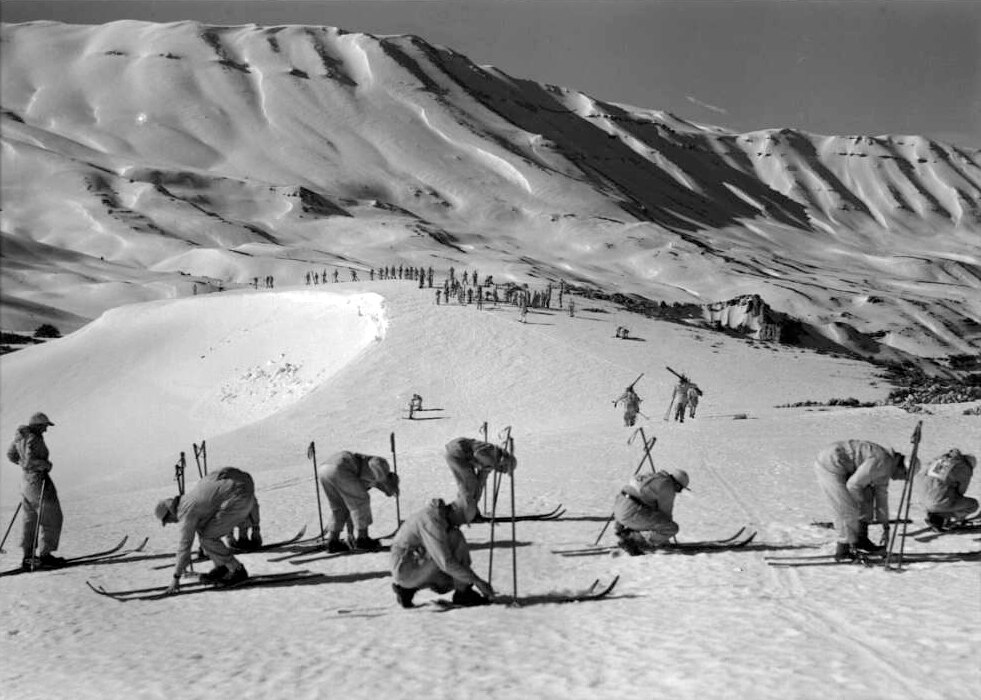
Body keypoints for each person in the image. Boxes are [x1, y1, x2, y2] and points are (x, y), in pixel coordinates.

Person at [154, 467, 260, 593]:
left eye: (168, 521)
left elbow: (184, 546)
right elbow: (221, 472)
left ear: (170, 513)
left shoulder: (185, 512)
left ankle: (237, 570)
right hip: (245, 487)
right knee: (205, 533)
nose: (171, 523)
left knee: (208, 538)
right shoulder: (191, 497)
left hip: (238, 499)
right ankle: (222, 567)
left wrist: (176, 578)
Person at [390, 498, 495, 608]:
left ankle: (407, 590)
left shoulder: (436, 517)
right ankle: (463, 593)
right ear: (456, 513)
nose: (458, 525)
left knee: (453, 578)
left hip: (407, 567)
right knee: (456, 538)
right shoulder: (432, 522)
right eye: (460, 521)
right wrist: (478, 582)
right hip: (405, 570)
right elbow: (445, 562)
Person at [813, 440, 908, 561]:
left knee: (867, 497)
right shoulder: (883, 462)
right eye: (904, 476)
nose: (902, 479)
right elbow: (853, 485)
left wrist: (885, 525)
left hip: (843, 465)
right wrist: (857, 506)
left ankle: (861, 539)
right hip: (830, 464)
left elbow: (881, 496)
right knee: (846, 508)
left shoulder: (887, 466)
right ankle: (844, 549)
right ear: (902, 468)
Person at [6, 412, 64, 570]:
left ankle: (28, 556)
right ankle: (46, 556)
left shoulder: (20, 436)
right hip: (38, 480)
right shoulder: (33, 438)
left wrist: (23, 464)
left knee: (30, 518)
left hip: (25, 481)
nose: (46, 429)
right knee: (51, 516)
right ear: (37, 425)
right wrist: (44, 465)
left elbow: (10, 454)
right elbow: (30, 460)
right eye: (44, 426)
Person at [317, 451, 399, 552]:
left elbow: (384, 488)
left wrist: (350, 533)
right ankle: (363, 539)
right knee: (361, 501)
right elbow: (378, 472)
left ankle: (333, 541)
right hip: (341, 467)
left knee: (339, 506)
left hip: (324, 469)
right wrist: (392, 487)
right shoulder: (383, 466)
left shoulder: (372, 474)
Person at [613, 468, 689, 555]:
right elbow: (665, 515)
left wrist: (618, 524)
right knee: (671, 528)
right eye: (680, 489)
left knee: (649, 512)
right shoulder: (667, 486)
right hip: (630, 512)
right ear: (678, 484)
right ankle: (633, 540)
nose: (678, 491)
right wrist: (662, 538)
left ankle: (627, 532)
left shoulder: (653, 477)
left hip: (619, 508)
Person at [443, 437, 517, 523]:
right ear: (505, 463)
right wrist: (491, 464)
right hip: (457, 452)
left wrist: (475, 504)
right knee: (469, 485)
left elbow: (480, 483)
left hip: (459, 454)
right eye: (503, 469)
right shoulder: (493, 453)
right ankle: (464, 513)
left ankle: (468, 511)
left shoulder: (493, 462)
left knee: (470, 486)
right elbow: (478, 454)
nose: (500, 472)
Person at [918, 449, 977, 530]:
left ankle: (934, 516)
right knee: (973, 505)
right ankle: (940, 518)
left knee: (941, 496)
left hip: (922, 501)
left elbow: (923, 474)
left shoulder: (940, 460)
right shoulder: (964, 467)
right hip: (937, 502)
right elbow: (961, 491)